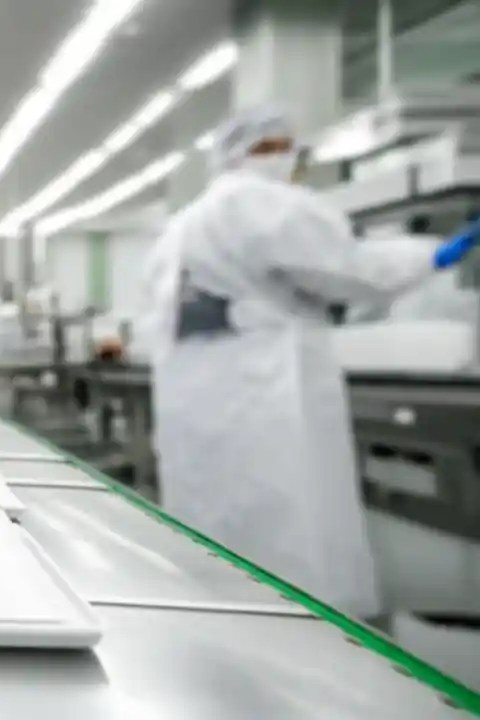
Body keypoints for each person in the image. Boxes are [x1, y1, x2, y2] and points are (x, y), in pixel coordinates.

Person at [143, 105, 479, 618]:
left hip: (197, 393)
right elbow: (346, 270)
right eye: (284, 147)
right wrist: (432, 256)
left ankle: (228, 623)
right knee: (289, 527)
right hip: (267, 383)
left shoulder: (183, 225)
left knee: (217, 523)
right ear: (274, 149)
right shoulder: (265, 204)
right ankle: (308, 636)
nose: (292, 158)